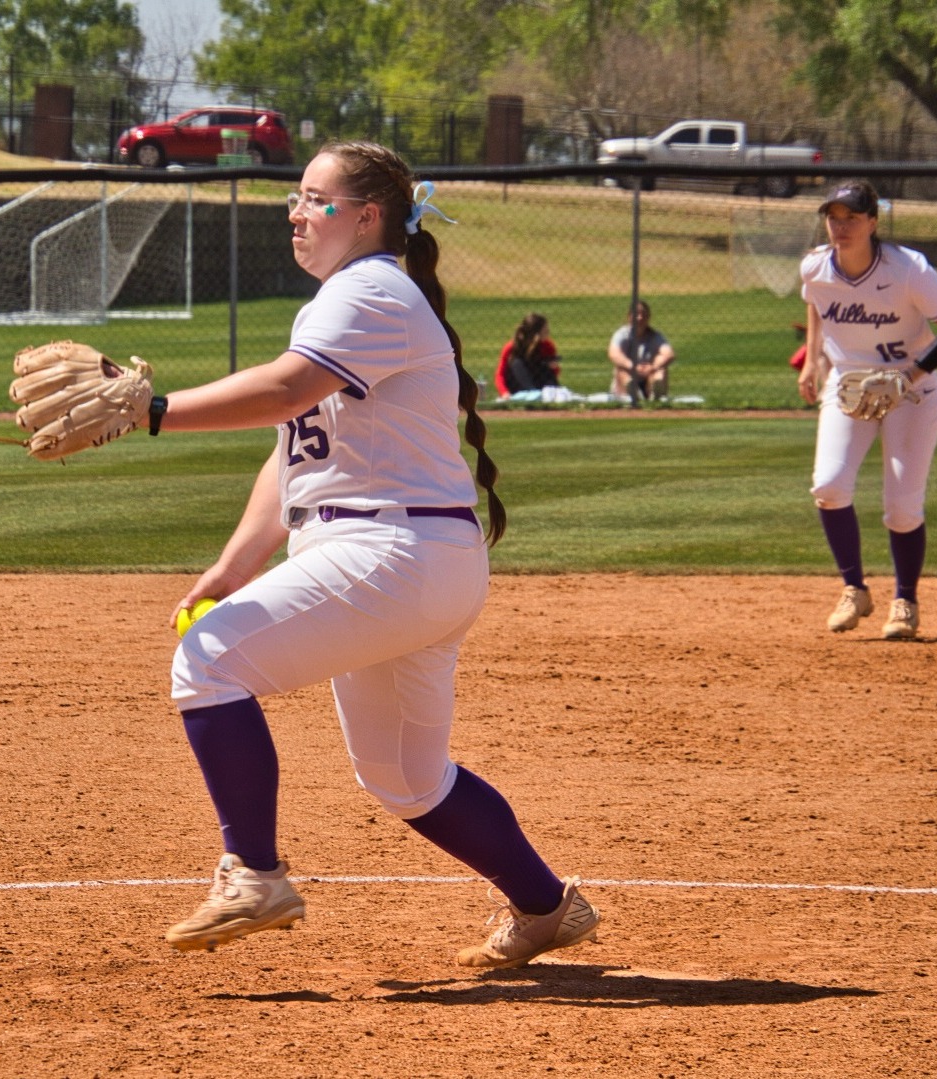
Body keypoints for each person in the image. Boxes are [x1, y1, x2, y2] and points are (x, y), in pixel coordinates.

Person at [148, 141, 600, 968]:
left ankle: (254, 872)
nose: (295, 211)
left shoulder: (369, 291)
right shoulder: (355, 297)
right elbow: (295, 450)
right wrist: (231, 567)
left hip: (389, 549)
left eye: (313, 198)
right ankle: (546, 906)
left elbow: (284, 393)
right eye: (295, 196)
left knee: (207, 660)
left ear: (367, 217)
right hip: (418, 556)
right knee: (407, 778)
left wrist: (151, 410)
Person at [797, 179, 937, 639]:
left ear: (873, 222)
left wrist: (910, 376)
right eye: (833, 217)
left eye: (852, 217)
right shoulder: (815, 266)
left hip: (911, 392)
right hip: (849, 387)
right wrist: (814, 359)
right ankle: (855, 588)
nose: (841, 226)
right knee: (829, 485)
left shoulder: (908, 269)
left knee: (902, 508)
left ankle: (905, 601)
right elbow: (816, 303)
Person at [607, 300, 675, 404]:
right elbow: (613, 354)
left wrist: (653, 367)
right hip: (629, 376)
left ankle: (655, 395)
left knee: (661, 369)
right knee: (620, 369)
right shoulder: (622, 334)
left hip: (648, 377)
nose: (640, 318)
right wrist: (633, 366)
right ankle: (632, 394)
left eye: (643, 315)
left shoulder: (655, 335)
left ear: (648, 318)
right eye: (636, 314)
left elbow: (669, 354)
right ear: (629, 317)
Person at [494, 312, 562, 398]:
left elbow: (553, 373)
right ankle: (533, 393)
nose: (548, 331)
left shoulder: (547, 346)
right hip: (518, 384)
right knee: (517, 363)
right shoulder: (512, 347)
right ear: (535, 334)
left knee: (544, 366)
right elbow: (500, 374)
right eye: (545, 329)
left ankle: (549, 393)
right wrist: (504, 392)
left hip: (538, 382)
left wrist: (554, 367)